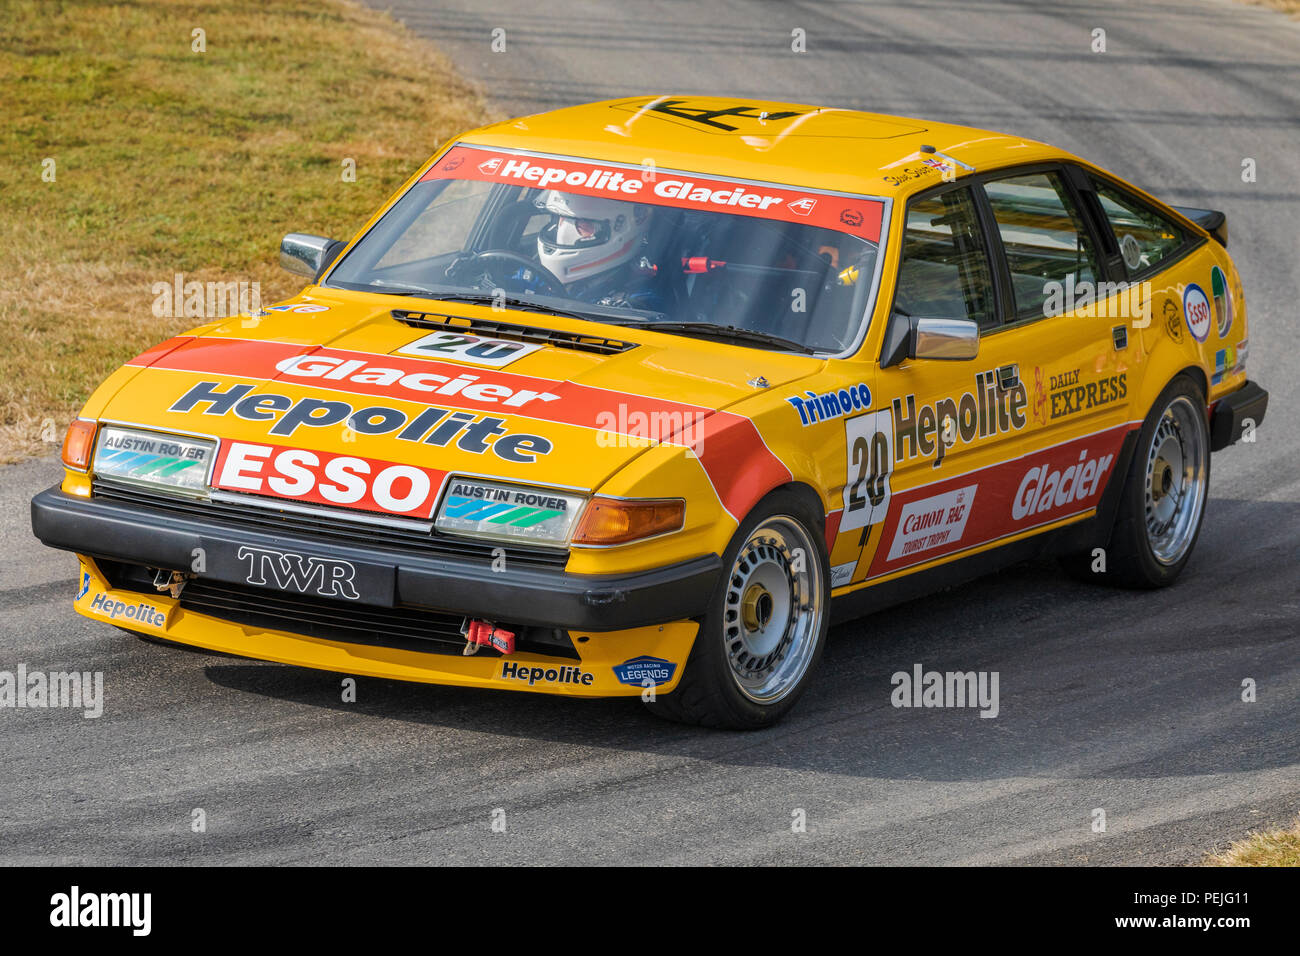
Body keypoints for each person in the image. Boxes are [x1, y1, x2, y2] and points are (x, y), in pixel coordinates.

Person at [531, 190, 671, 312]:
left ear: (623, 230)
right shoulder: (534, 271)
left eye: (582, 226)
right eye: (559, 220)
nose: (562, 236)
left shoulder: (639, 302)